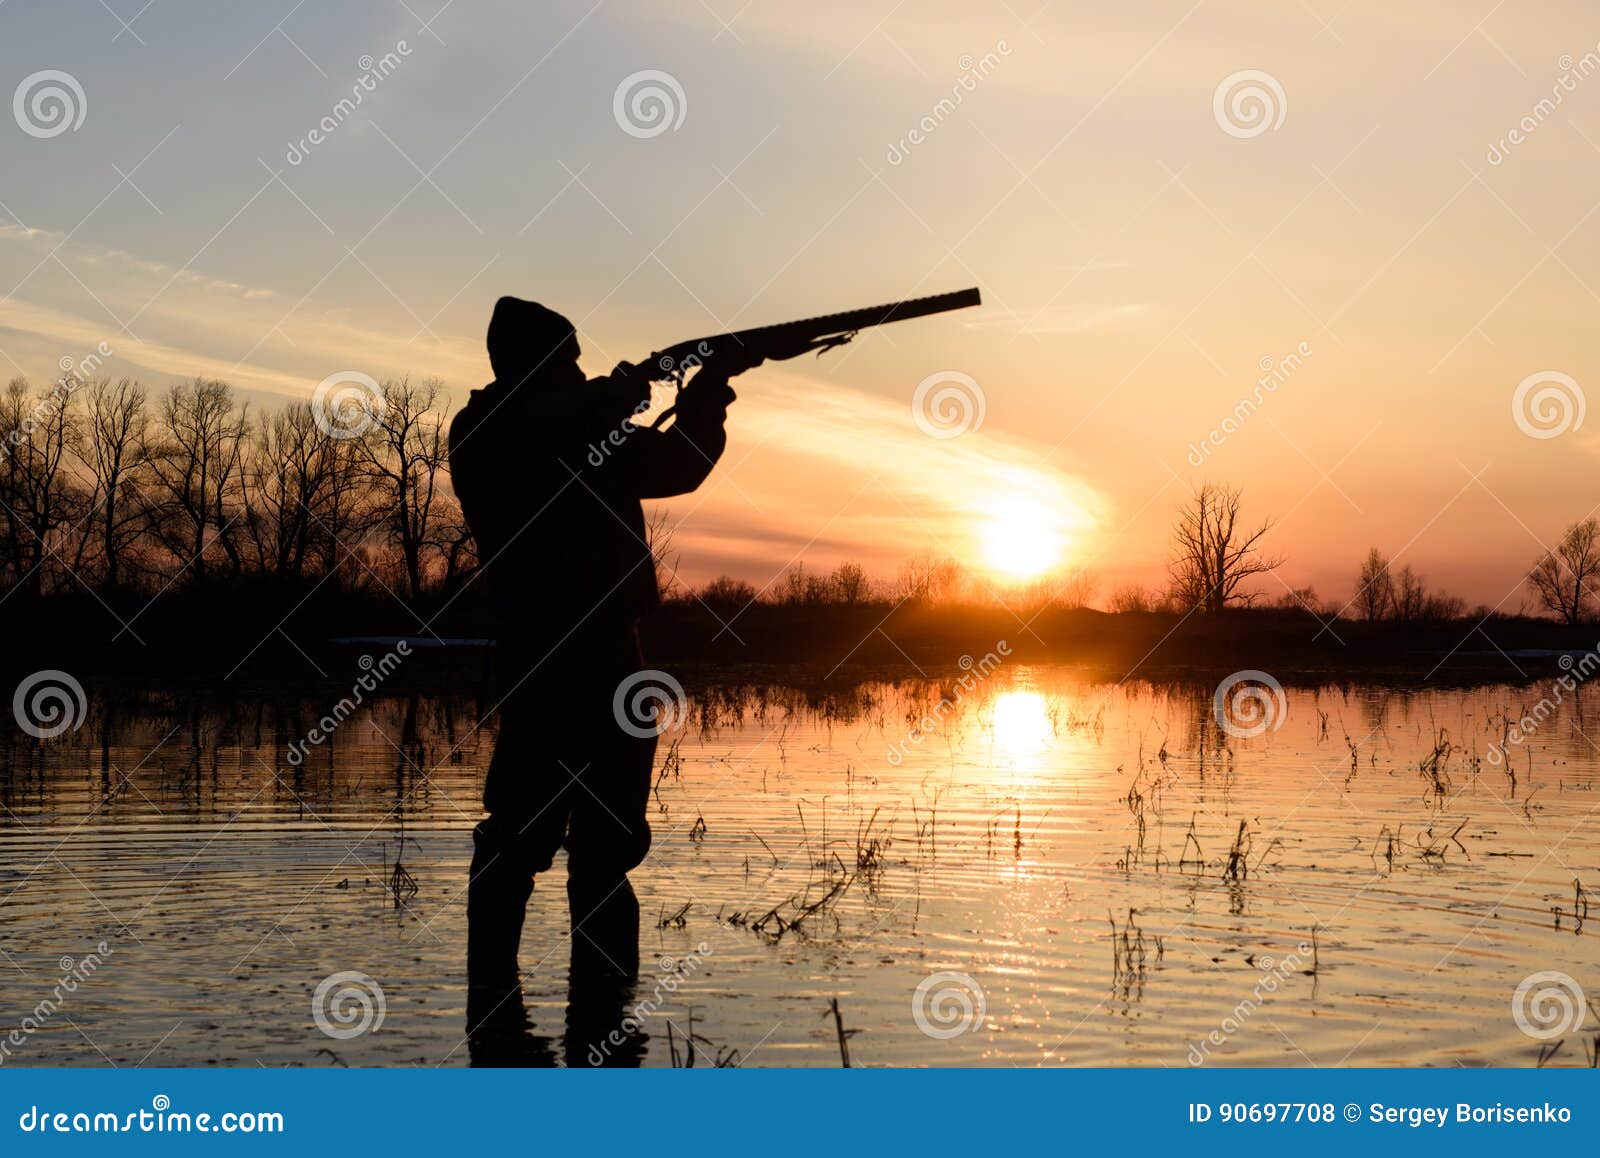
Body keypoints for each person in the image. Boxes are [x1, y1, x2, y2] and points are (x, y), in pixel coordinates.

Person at [449, 297, 758, 1014]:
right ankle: (492, 1007)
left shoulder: (587, 432)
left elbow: (680, 464)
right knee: (517, 838)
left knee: (608, 850)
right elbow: (542, 427)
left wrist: (707, 392)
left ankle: (605, 1019)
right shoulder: (488, 429)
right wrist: (615, 396)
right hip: (543, 654)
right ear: (531, 367)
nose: (581, 371)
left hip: (616, 653)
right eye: (567, 361)